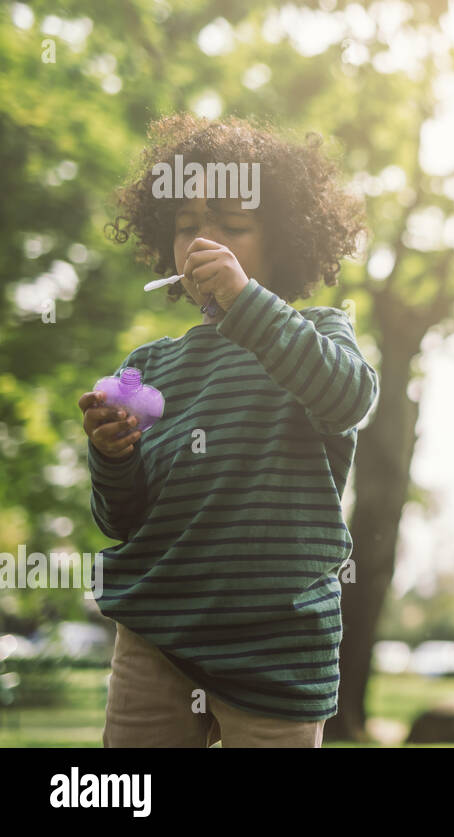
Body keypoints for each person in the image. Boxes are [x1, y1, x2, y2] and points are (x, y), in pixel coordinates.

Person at [81, 114, 376, 746]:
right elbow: (121, 518)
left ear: (284, 243)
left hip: (278, 646)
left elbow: (349, 398)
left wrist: (247, 302)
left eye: (233, 228)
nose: (201, 245)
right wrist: (112, 456)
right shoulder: (147, 368)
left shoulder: (318, 333)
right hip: (157, 635)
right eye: (186, 228)